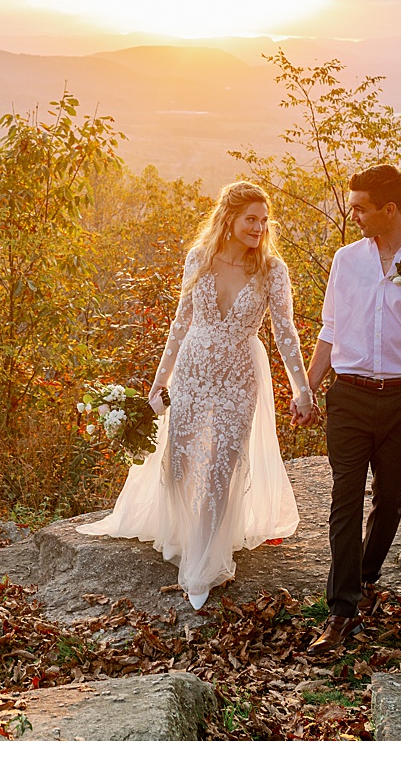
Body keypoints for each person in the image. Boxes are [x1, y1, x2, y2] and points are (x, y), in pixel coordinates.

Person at [78, 181, 311, 609]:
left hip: (239, 377)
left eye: (264, 220)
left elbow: (285, 332)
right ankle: (185, 536)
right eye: (250, 219)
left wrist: (302, 390)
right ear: (229, 218)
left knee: (221, 468)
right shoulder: (198, 259)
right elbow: (180, 324)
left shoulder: (272, 270)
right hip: (192, 371)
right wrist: (157, 386)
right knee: (181, 465)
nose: (259, 227)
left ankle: (204, 564)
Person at [295, 164, 401, 654]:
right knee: (344, 495)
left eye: (361, 209)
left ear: (389, 210)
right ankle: (341, 611)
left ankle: (365, 576)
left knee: (389, 497)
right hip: (347, 395)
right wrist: (308, 388)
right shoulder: (346, 260)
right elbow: (331, 328)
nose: (354, 217)